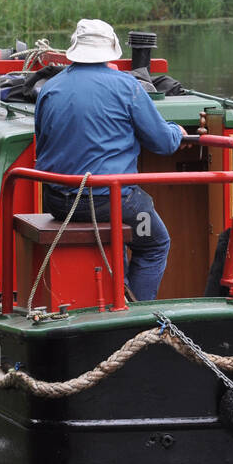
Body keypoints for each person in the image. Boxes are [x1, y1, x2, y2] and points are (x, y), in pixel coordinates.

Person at [34, 19, 187, 301]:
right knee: (154, 242)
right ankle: (138, 315)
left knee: (124, 228)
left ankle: (115, 291)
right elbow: (163, 144)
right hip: (109, 203)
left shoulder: (49, 88)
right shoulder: (127, 86)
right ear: (111, 52)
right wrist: (177, 131)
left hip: (57, 202)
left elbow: (41, 147)